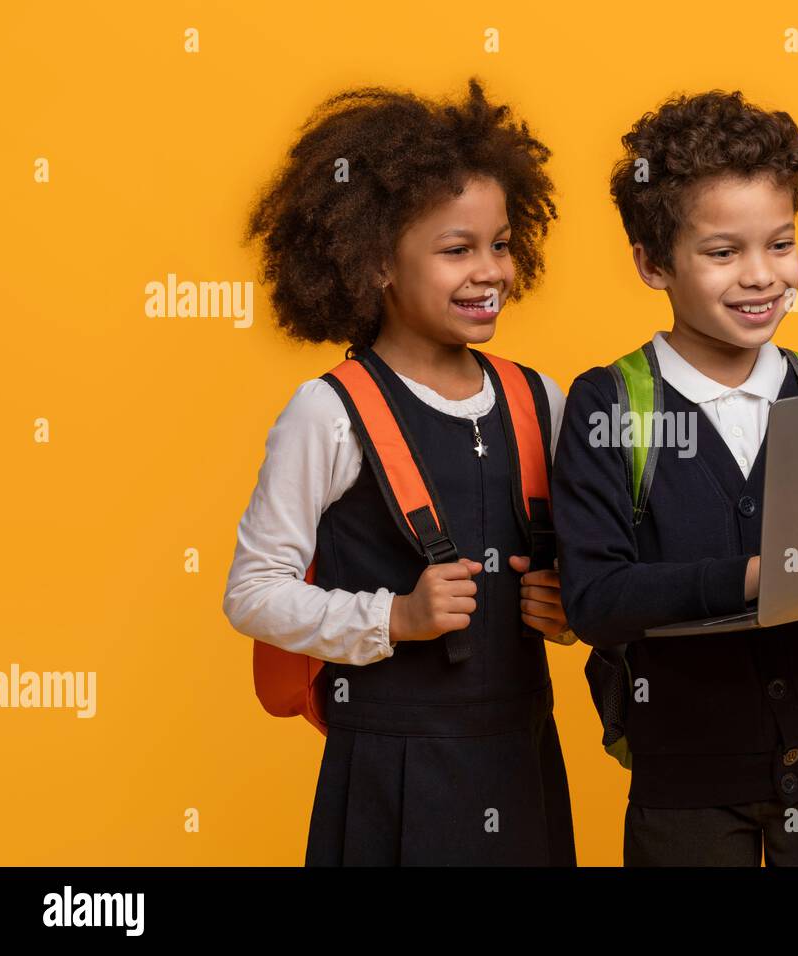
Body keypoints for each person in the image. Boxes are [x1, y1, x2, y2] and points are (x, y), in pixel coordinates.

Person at [552, 89, 798, 866]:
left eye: (781, 244)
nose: (763, 277)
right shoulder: (610, 404)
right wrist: (758, 576)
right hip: (684, 790)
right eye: (724, 252)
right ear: (653, 263)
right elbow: (597, 601)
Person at [223, 79, 576, 865]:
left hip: (522, 755)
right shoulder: (328, 412)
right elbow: (252, 593)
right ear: (377, 261)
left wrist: (568, 603)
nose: (490, 271)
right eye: (457, 250)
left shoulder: (539, 399)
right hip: (389, 769)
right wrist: (393, 619)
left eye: (501, 243)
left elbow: (588, 563)